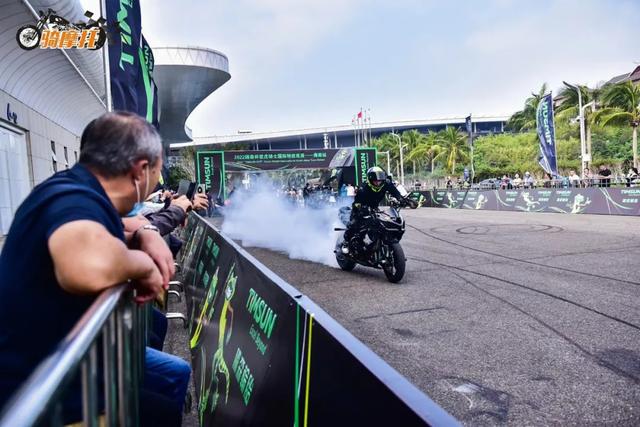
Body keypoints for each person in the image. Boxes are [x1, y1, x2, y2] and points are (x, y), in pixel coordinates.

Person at [0, 112, 186, 426]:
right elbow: (86, 266)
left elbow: (114, 234)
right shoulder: (71, 197)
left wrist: (146, 234)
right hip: (41, 396)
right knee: (160, 408)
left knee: (170, 381)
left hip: (66, 368)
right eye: (158, 171)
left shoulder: (80, 193)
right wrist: (144, 266)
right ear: (141, 170)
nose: (158, 182)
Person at [341, 167, 408, 254]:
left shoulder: (386, 183)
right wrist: (360, 208)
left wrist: (401, 199)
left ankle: (377, 242)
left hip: (374, 208)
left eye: (380, 180)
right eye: (375, 181)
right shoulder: (363, 188)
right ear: (370, 180)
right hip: (360, 209)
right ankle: (346, 242)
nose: (378, 182)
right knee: (355, 224)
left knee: (380, 224)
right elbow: (357, 203)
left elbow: (395, 192)